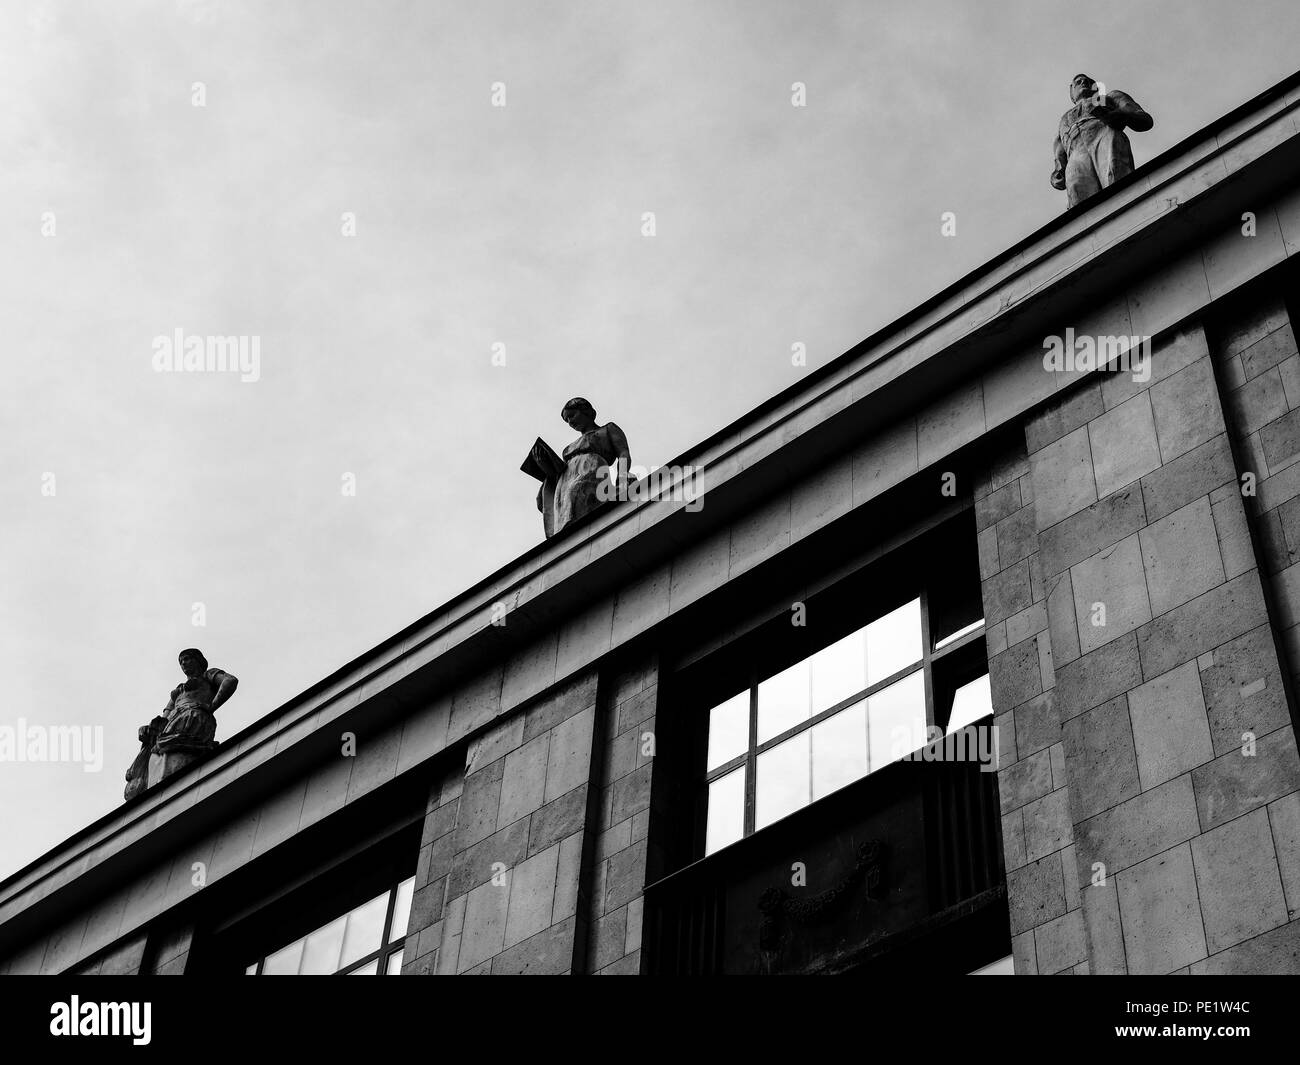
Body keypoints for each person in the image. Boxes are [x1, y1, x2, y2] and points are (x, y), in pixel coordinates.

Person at [1051, 74, 1152, 208]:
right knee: (1078, 196)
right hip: (1076, 153)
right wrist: (1058, 171)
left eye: (1089, 81)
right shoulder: (1064, 119)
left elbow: (1143, 119)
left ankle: (1126, 212)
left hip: (1104, 134)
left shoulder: (1110, 97)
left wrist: (1119, 115)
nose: (1084, 82)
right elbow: (1059, 152)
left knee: (1115, 176)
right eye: (1078, 82)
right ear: (1071, 91)